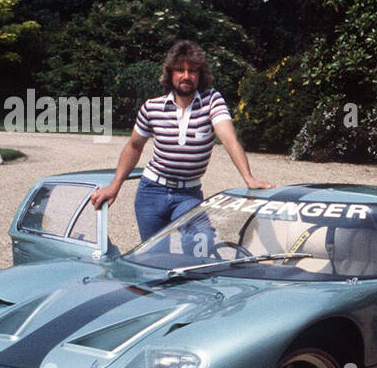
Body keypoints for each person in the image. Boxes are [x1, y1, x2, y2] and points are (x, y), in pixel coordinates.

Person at [89, 40, 272, 244]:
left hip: (188, 195)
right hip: (151, 193)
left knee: (201, 244)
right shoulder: (152, 107)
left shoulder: (212, 100)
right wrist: (114, 186)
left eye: (192, 70)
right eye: (180, 70)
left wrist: (248, 178)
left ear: (200, 75)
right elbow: (134, 146)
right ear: (171, 74)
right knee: (153, 257)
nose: (186, 76)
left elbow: (229, 139)